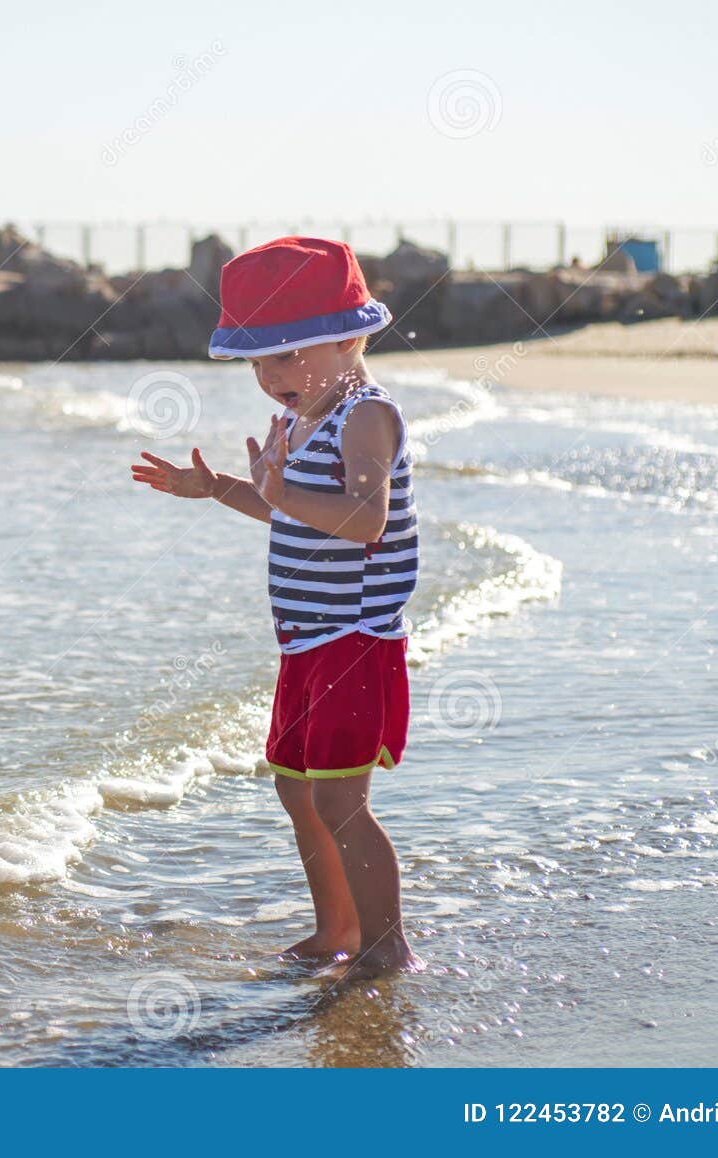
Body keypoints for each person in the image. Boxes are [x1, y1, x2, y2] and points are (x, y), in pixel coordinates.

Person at [130, 237, 423, 979]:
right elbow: (289, 513)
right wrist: (220, 488)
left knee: (340, 803)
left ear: (352, 338)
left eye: (292, 355)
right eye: (260, 360)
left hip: (355, 640)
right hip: (304, 641)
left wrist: (278, 490)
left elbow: (365, 518)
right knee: (296, 788)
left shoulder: (365, 417)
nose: (274, 376)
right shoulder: (300, 420)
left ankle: (388, 946)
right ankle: (337, 929)